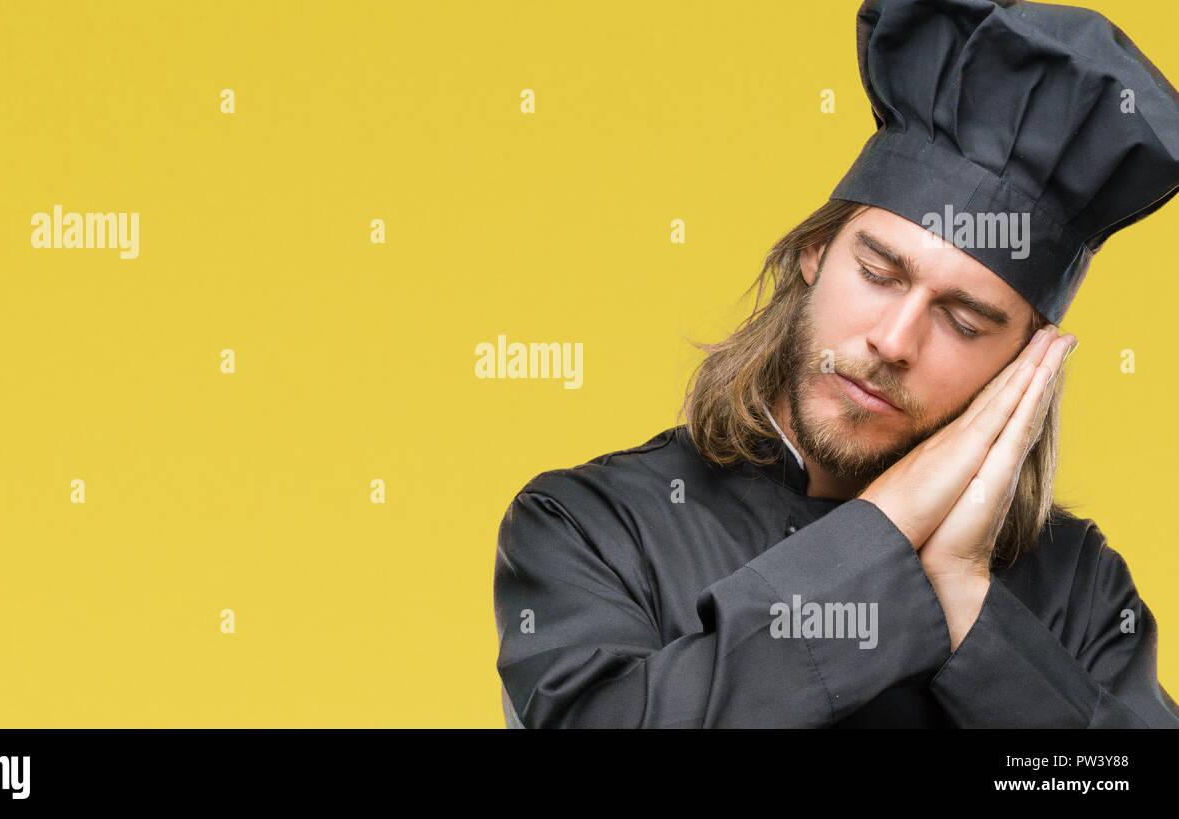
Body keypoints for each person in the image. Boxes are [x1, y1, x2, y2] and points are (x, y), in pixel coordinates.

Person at [493, 0, 1179, 728]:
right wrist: (888, 535)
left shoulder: (1077, 582)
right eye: (879, 272)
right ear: (814, 252)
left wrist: (969, 604)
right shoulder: (589, 525)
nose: (893, 339)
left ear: (1024, 359)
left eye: (963, 319)